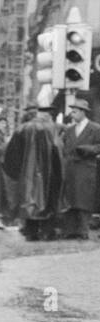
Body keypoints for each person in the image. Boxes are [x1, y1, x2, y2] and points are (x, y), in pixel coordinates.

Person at [4, 98, 64, 242]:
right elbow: (58, 151)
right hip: (49, 174)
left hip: (27, 175)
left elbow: (11, 154)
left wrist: (16, 172)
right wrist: (59, 171)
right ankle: (47, 232)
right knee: (48, 201)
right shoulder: (52, 129)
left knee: (29, 201)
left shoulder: (22, 128)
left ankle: (31, 232)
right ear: (48, 115)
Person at [57, 91, 100, 240]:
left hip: (86, 167)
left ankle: (83, 230)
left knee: (84, 199)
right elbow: (63, 147)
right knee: (70, 199)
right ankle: (70, 230)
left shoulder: (95, 128)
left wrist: (89, 149)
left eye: (75, 111)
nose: (72, 114)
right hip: (71, 168)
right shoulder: (68, 130)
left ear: (83, 112)